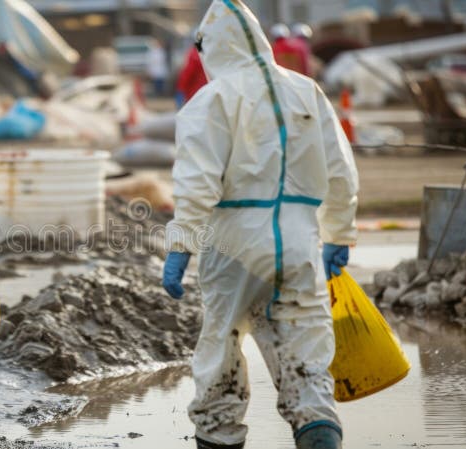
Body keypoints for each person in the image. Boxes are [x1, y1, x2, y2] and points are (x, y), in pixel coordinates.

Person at [161, 1, 358, 449]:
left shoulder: (211, 100)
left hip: (233, 242)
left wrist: (181, 245)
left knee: (222, 345)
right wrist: (339, 234)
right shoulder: (307, 91)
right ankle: (317, 428)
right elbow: (342, 171)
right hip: (299, 240)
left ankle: (219, 435)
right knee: (307, 354)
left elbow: (196, 182)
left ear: (211, 48)